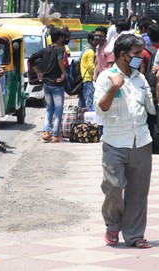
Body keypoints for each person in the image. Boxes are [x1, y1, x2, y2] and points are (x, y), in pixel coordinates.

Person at [94, 34, 156, 249]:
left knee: (139, 191)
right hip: (115, 142)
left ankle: (134, 235)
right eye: (137, 54)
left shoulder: (140, 79)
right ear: (123, 55)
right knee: (113, 186)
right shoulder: (106, 77)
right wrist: (114, 88)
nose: (141, 57)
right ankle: (113, 225)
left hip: (141, 142)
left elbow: (151, 109)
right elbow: (100, 109)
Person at [29, 28, 67, 143]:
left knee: (49, 108)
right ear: (60, 38)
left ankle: (46, 132)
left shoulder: (44, 50)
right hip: (57, 83)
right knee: (58, 109)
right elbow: (60, 59)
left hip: (46, 83)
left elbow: (31, 60)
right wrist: (63, 73)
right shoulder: (60, 49)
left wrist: (38, 72)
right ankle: (55, 135)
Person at [79, 31, 96, 110]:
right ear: (90, 40)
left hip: (83, 78)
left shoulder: (85, 49)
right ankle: (90, 120)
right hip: (88, 78)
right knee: (89, 102)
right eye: (95, 39)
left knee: (82, 101)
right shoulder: (90, 51)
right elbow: (90, 66)